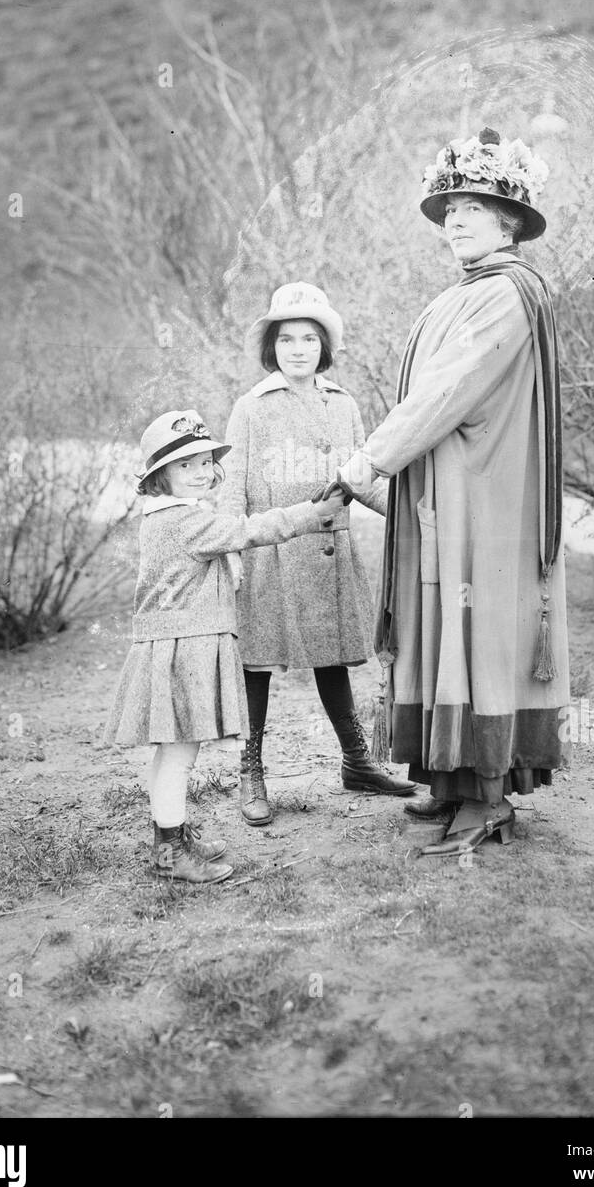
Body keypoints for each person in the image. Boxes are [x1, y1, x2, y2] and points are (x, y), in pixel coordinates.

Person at [323, 128, 570, 856]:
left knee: (478, 629)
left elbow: (446, 393)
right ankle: (450, 782)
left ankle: (487, 797)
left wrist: (368, 460)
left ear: (509, 222)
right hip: (445, 492)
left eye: (472, 207)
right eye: (449, 207)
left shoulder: (504, 296)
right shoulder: (458, 296)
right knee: (444, 625)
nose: (455, 219)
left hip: (483, 497)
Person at [102, 407, 345, 881]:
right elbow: (249, 531)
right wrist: (312, 514)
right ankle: (170, 855)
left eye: (205, 461)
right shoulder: (182, 521)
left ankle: (170, 840)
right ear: (158, 478)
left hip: (177, 643)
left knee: (175, 753)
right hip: (181, 646)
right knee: (178, 753)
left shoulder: (177, 515)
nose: (200, 473)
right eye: (184, 465)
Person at [220, 282, 415, 827]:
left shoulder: (343, 405)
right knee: (256, 662)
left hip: (329, 553)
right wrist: (232, 549)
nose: (299, 349)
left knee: (332, 658)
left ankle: (356, 763)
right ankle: (251, 771)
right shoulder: (251, 409)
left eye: (310, 338)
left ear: (325, 347)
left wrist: (412, 515)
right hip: (269, 557)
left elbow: (361, 479)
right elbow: (231, 487)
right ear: (272, 348)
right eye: (287, 339)